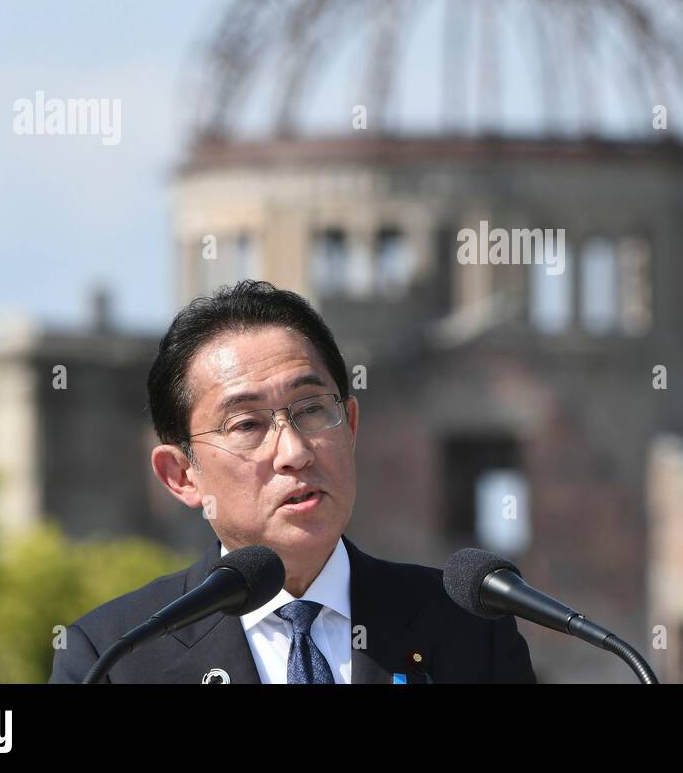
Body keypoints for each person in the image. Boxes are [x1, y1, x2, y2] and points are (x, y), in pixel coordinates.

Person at [50, 280, 536, 683]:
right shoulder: (115, 656)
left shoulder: (469, 628)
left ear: (351, 425)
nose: (295, 452)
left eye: (312, 411)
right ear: (180, 475)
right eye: (246, 425)